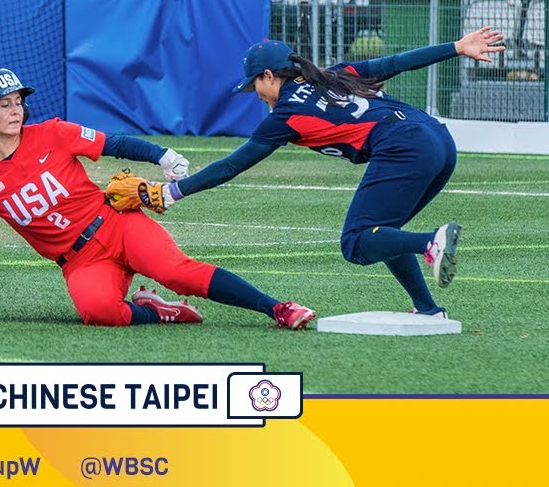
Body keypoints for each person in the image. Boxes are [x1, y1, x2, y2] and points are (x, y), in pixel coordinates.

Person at [0, 68, 316, 329]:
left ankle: (277, 308)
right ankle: (160, 311)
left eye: (18, 101)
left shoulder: (52, 132)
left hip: (118, 225)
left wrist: (163, 155)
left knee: (177, 272)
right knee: (99, 313)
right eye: (3, 104)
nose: (16, 110)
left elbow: (113, 142)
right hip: (79, 259)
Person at [156, 30, 507, 318]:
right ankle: (428, 308)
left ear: (268, 76)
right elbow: (397, 63)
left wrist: (173, 192)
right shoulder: (337, 74)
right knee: (381, 231)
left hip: (405, 145)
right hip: (438, 139)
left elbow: (232, 165)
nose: (257, 95)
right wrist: (457, 47)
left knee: (356, 242)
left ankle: (431, 242)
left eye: (255, 87)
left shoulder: (285, 115)